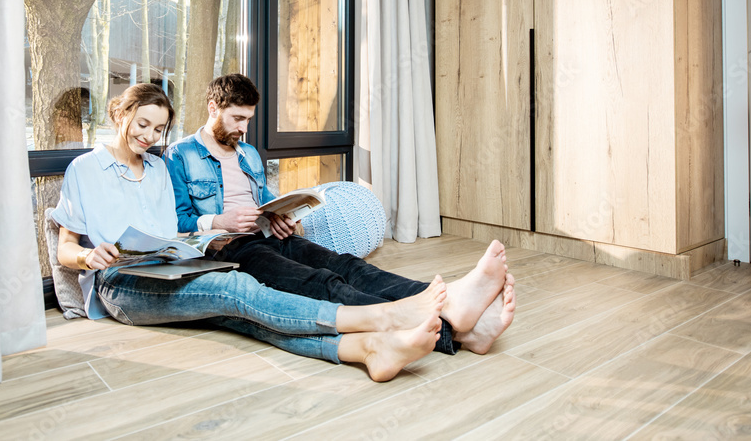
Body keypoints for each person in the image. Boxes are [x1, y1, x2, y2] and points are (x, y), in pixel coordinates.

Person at [51, 82, 450, 382]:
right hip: (119, 281)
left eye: (158, 130)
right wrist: (88, 255)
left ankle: (367, 349)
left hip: (170, 267)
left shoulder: (156, 168)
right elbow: (66, 249)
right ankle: (382, 318)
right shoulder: (85, 169)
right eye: (143, 125)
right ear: (119, 114)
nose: (150, 137)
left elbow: (174, 230)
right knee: (237, 290)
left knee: (241, 315)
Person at [163, 74, 516, 356]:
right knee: (322, 283)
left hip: (269, 235)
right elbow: (176, 223)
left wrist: (281, 215)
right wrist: (219, 221)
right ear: (213, 107)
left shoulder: (249, 154)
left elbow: (265, 200)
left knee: (349, 266)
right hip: (229, 248)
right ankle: (456, 329)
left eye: (248, 120)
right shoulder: (179, 155)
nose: (244, 128)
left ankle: (454, 310)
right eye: (238, 119)